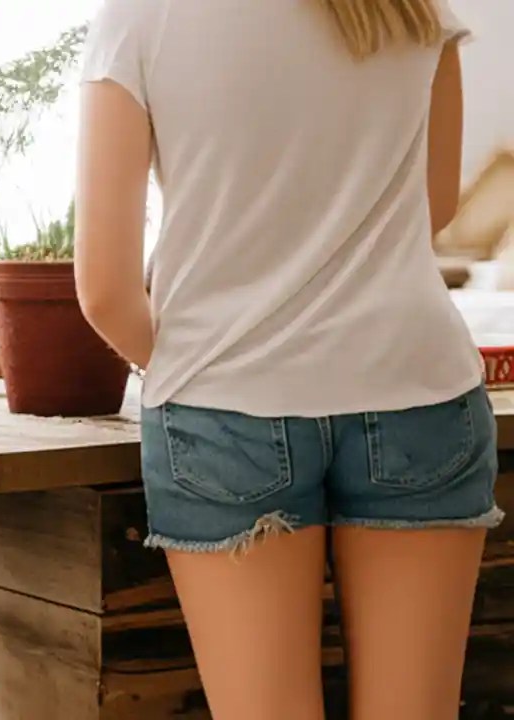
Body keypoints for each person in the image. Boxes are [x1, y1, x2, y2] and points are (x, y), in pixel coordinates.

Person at [74, 1, 498, 718]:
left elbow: (106, 292)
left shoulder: (140, 16)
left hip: (226, 408)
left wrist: (202, 364)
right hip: (419, 386)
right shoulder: (413, 7)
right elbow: (434, 203)